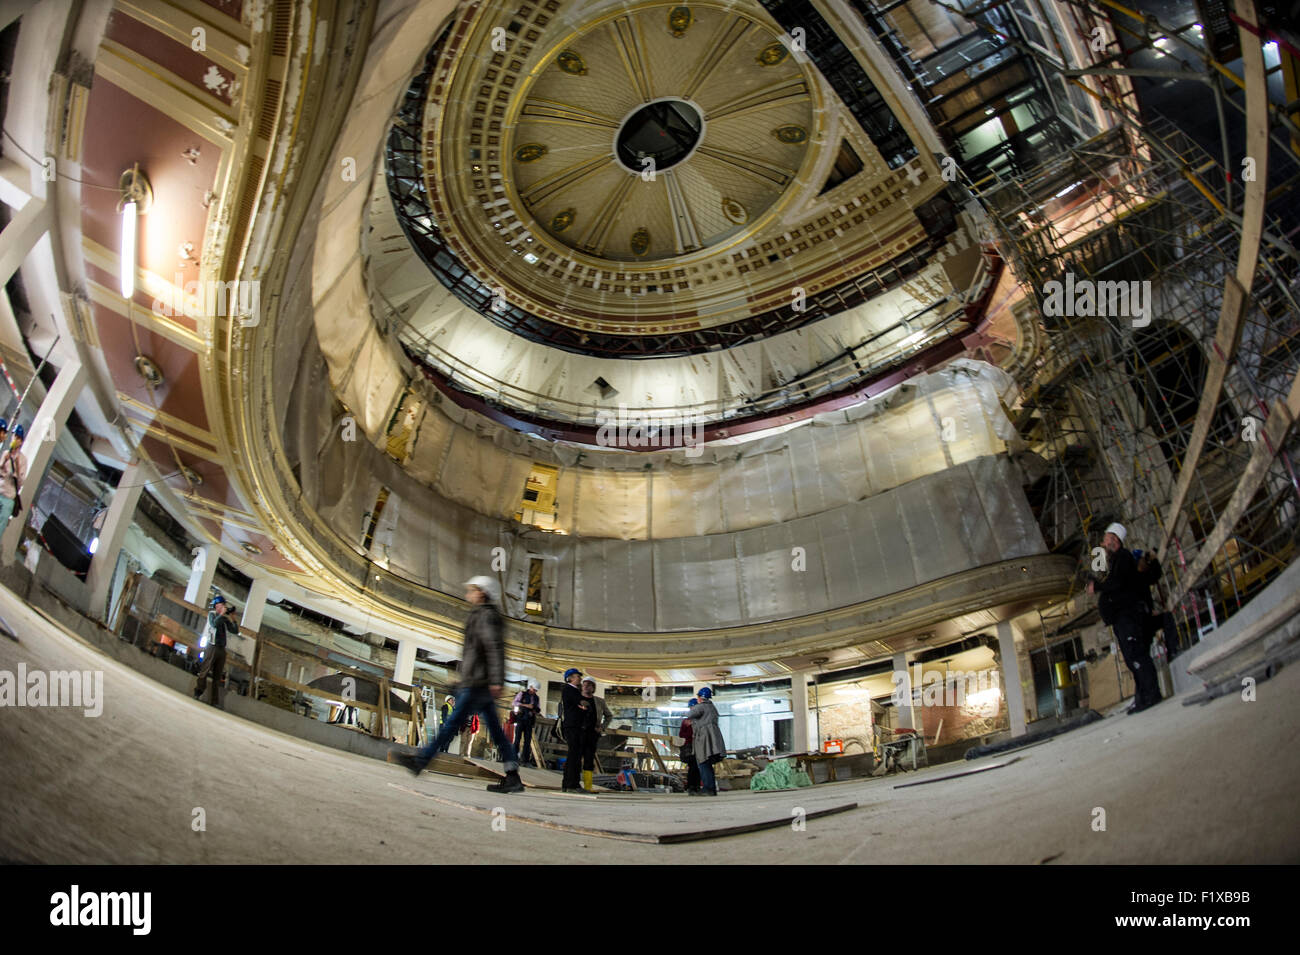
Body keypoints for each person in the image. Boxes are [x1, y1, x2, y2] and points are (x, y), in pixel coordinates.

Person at [396, 576, 524, 793]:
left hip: (479, 684)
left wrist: (495, 680)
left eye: (472, 590)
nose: (468, 595)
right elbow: (476, 652)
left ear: (482, 593)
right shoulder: (481, 615)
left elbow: (493, 648)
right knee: (495, 731)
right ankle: (513, 776)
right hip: (476, 682)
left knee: (452, 724)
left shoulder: (486, 616)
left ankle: (421, 761)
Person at [1087, 523, 1163, 714]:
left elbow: (1117, 583)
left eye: (1106, 540)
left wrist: (1097, 587)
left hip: (1128, 616)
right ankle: (1143, 697)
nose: (1103, 544)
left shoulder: (1124, 557)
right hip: (1122, 618)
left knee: (1136, 656)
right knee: (1132, 659)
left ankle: (1151, 696)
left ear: (1114, 540)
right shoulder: (1118, 561)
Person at [194, 601, 237, 706]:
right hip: (212, 646)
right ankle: (198, 691)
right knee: (205, 670)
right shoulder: (212, 614)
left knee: (217, 677)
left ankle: (214, 701)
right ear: (217, 606)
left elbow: (234, 631)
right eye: (222, 605)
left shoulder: (224, 618)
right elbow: (214, 624)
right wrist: (221, 614)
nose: (224, 607)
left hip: (222, 649)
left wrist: (233, 618)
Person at [685, 687, 726, 796]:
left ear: (700, 697)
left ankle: (708, 788)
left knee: (703, 762)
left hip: (704, 738)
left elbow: (689, 715)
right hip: (711, 736)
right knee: (706, 764)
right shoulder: (711, 707)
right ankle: (710, 788)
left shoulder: (701, 707)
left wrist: (692, 711)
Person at [558, 666, 591, 793]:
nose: (580, 679)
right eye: (578, 676)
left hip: (575, 726)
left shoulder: (573, 691)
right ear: (570, 678)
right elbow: (583, 702)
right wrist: (583, 706)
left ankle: (567, 784)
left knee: (574, 755)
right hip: (572, 726)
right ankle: (572, 785)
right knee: (575, 756)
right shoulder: (569, 690)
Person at [580, 675, 612, 791]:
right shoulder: (577, 699)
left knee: (589, 759)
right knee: (576, 757)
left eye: (589, 685)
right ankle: (574, 784)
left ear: (593, 688)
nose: (586, 687)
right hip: (579, 733)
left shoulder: (599, 701)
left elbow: (609, 715)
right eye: (584, 684)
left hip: (592, 734)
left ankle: (588, 786)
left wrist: (602, 727)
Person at [0, 424, 28, 534]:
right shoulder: (6, 453)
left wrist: (17, 465)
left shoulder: (22, 459)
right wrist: (3, 462)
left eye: (18, 438)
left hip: (9, 497)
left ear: (21, 441)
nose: (15, 439)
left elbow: (21, 482)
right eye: (14, 436)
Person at [511, 681, 541, 765]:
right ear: (530, 687)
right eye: (534, 689)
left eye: (536, 690)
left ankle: (525, 760)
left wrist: (535, 710)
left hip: (529, 721)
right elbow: (514, 702)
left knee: (527, 741)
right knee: (517, 739)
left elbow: (538, 708)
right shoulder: (522, 694)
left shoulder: (536, 698)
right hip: (521, 719)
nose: (534, 691)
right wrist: (526, 705)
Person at [679, 697, 701, 794]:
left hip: (699, 745)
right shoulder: (686, 721)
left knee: (698, 767)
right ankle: (692, 787)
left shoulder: (700, 719)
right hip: (690, 747)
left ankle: (696, 786)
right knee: (693, 766)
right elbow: (681, 735)